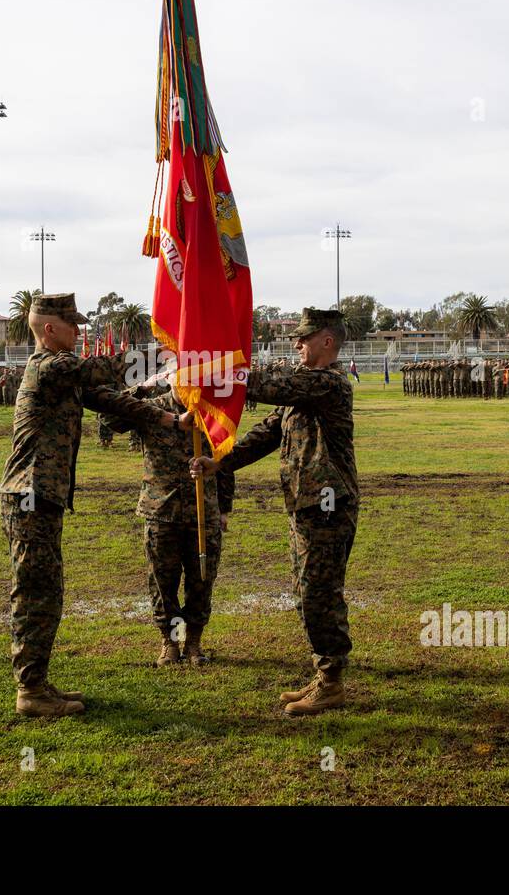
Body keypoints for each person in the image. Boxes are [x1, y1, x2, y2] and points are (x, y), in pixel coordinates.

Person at [0, 293, 190, 718]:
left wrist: (167, 419)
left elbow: (108, 399)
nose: (79, 332)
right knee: (36, 592)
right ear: (50, 328)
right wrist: (165, 351)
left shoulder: (62, 374)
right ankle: (30, 690)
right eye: (72, 325)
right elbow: (102, 369)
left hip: (40, 498)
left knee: (46, 590)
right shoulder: (50, 366)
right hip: (30, 496)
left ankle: (37, 683)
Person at [191, 307, 359, 717]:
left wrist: (214, 370)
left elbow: (268, 383)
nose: (296, 344)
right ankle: (324, 674)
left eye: (304, 338)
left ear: (328, 341)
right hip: (305, 505)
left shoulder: (328, 382)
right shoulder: (303, 391)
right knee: (307, 592)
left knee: (319, 594)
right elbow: (264, 434)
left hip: (327, 505)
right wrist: (219, 461)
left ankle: (332, 682)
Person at [102, 382, 234, 667]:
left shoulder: (211, 411)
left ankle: (194, 644)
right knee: (163, 582)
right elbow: (109, 418)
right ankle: (170, 642)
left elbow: (225, 459)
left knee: (201, 581)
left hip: (203, 511)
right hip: (161, 510)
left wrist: (224, 507)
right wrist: (140, 389)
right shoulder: (152, 409)